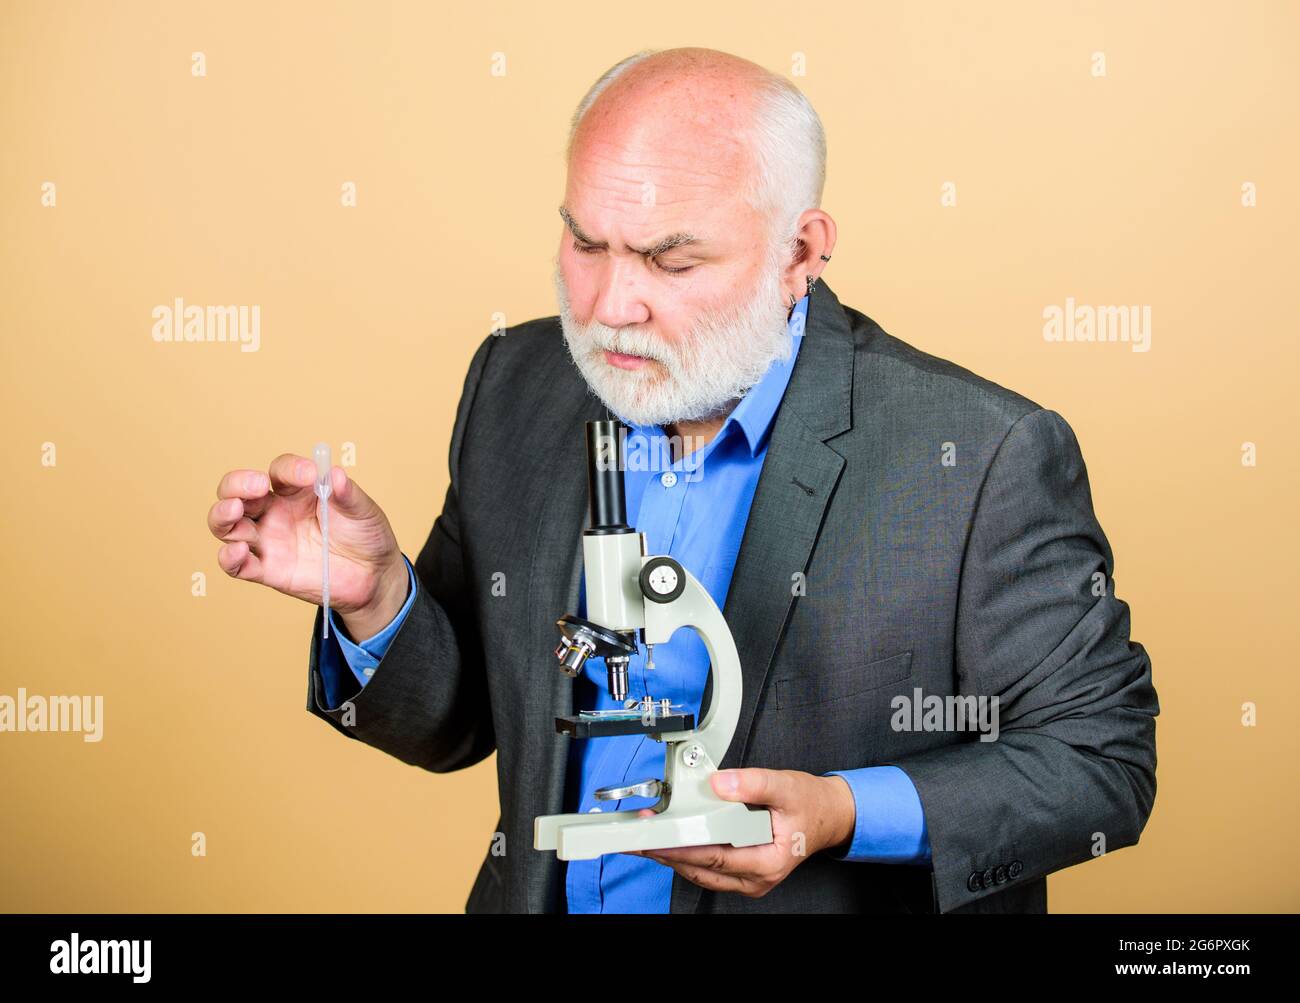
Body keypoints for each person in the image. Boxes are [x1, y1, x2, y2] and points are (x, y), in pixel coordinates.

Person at [206, 47, 1158, 913]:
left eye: (671, 257)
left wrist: (837, 811)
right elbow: (458, 721)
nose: (613, 306)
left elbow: (1100, 762)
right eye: (586, 244)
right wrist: (378, 602)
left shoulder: (981, 453)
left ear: (801, 251)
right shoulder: (517, 387)